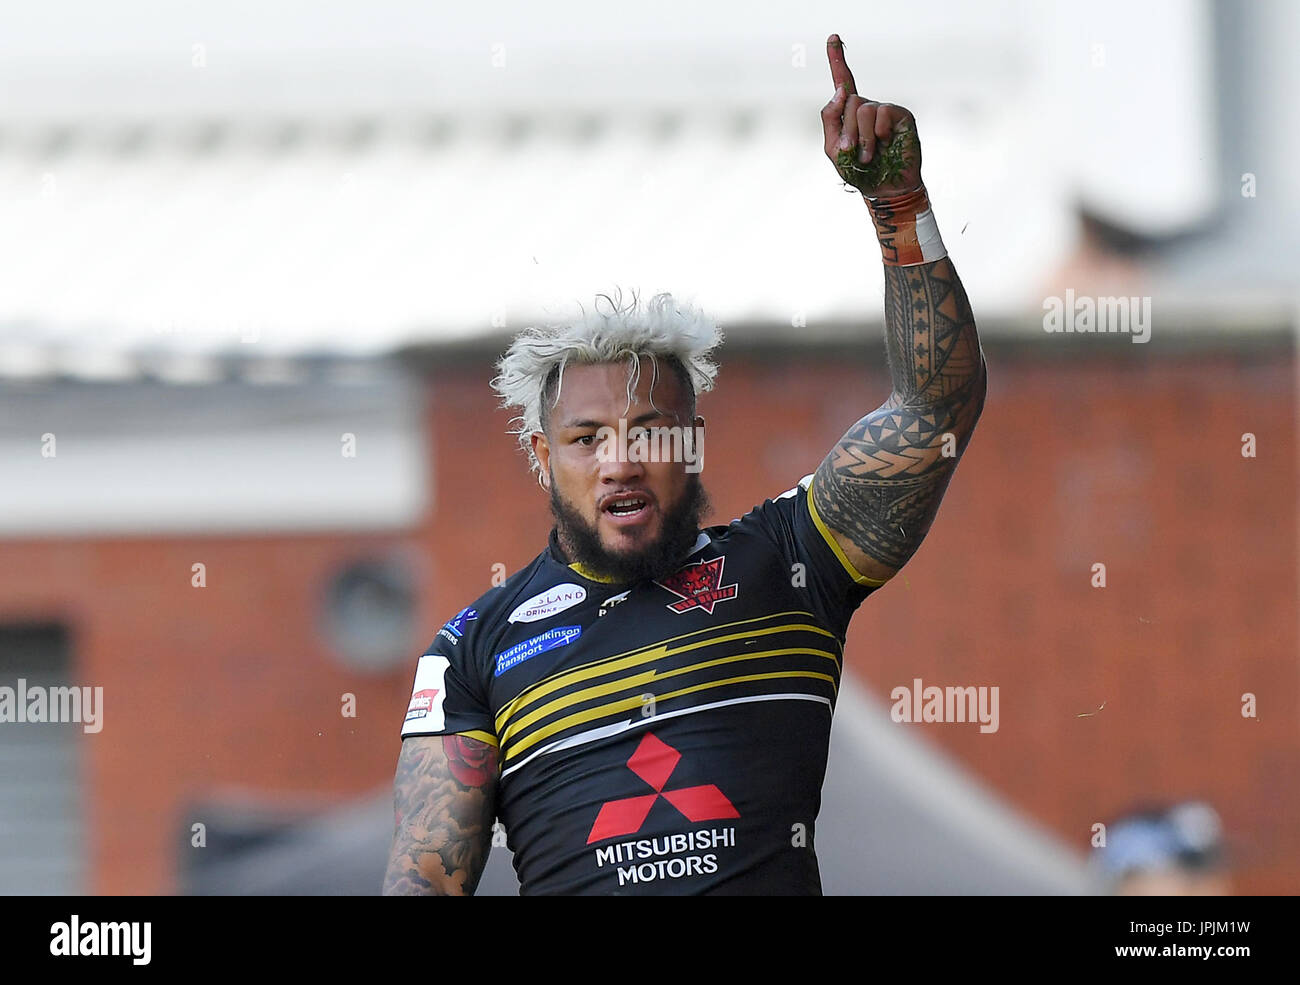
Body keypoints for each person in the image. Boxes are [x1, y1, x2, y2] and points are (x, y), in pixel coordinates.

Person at [382, 33, 987, 895]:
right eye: (588, 439)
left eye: (651, 431)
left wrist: (898, 202)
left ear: (692, 444)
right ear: (541, 456)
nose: (621, 462)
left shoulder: (789, 558)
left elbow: (936, 409)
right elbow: (421, 886)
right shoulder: (473, 649)